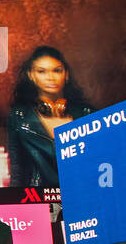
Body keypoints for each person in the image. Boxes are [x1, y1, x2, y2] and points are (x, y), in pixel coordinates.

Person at [6, 47, 95, 189]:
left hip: (81, 194)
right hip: (39, 199)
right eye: (41, 71)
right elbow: (17, 171)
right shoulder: (19, 117)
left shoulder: (86, 114)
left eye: (57, 70)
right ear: (31, 75)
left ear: (66, 74)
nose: (50, 77)